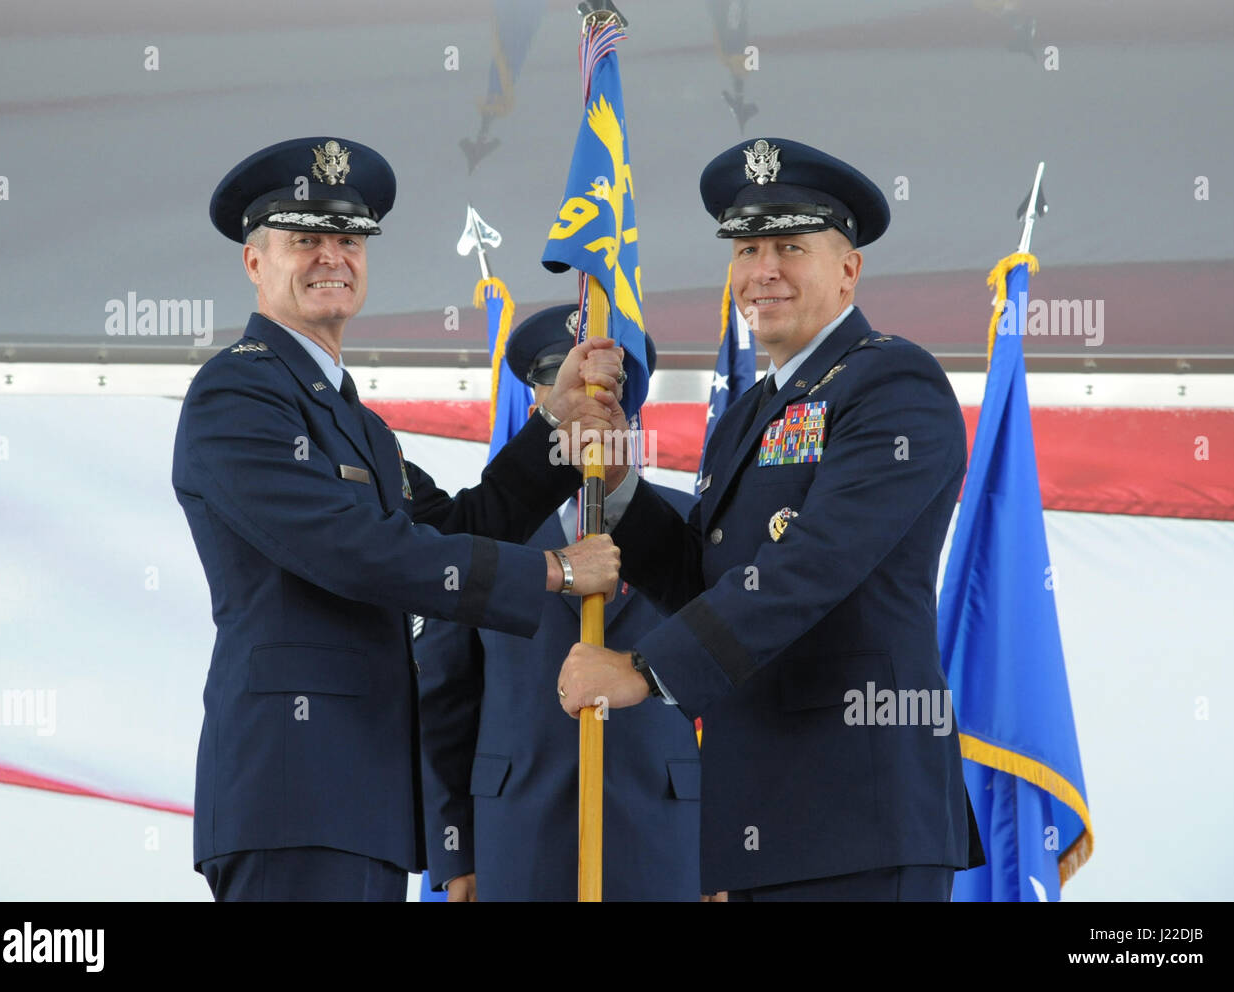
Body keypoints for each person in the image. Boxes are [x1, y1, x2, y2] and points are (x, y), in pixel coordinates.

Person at [172, 137, 624, 901]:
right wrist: (553, 570)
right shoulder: (235, 396)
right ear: (256, 263)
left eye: (347, 239)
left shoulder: (358, 425)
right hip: (294, 795)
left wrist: (556, 427)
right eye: (304, 239)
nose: (330, 257)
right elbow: (354, 549)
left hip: (364, 805)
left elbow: (453, 529)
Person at [556, 138, 985, 901]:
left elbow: (811, 565)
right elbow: (705, 575)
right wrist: (620, 484)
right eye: (748, 247)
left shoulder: (893, 383)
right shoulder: (750, 410)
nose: (765, 270)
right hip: (761, 820)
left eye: (791, 245)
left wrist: (644, 669)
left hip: (860, 818)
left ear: (849, 268)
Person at [416, 305, 701, 902]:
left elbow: (733, 684)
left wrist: (728, 851)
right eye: (561, 382)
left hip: (665, 831)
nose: (582, 403)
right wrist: (454, 850)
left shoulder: (686, 524)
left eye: (606, 388)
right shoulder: (487, 527)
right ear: (538, 398)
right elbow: (445, 693)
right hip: (515, 833)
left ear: (634, 399)